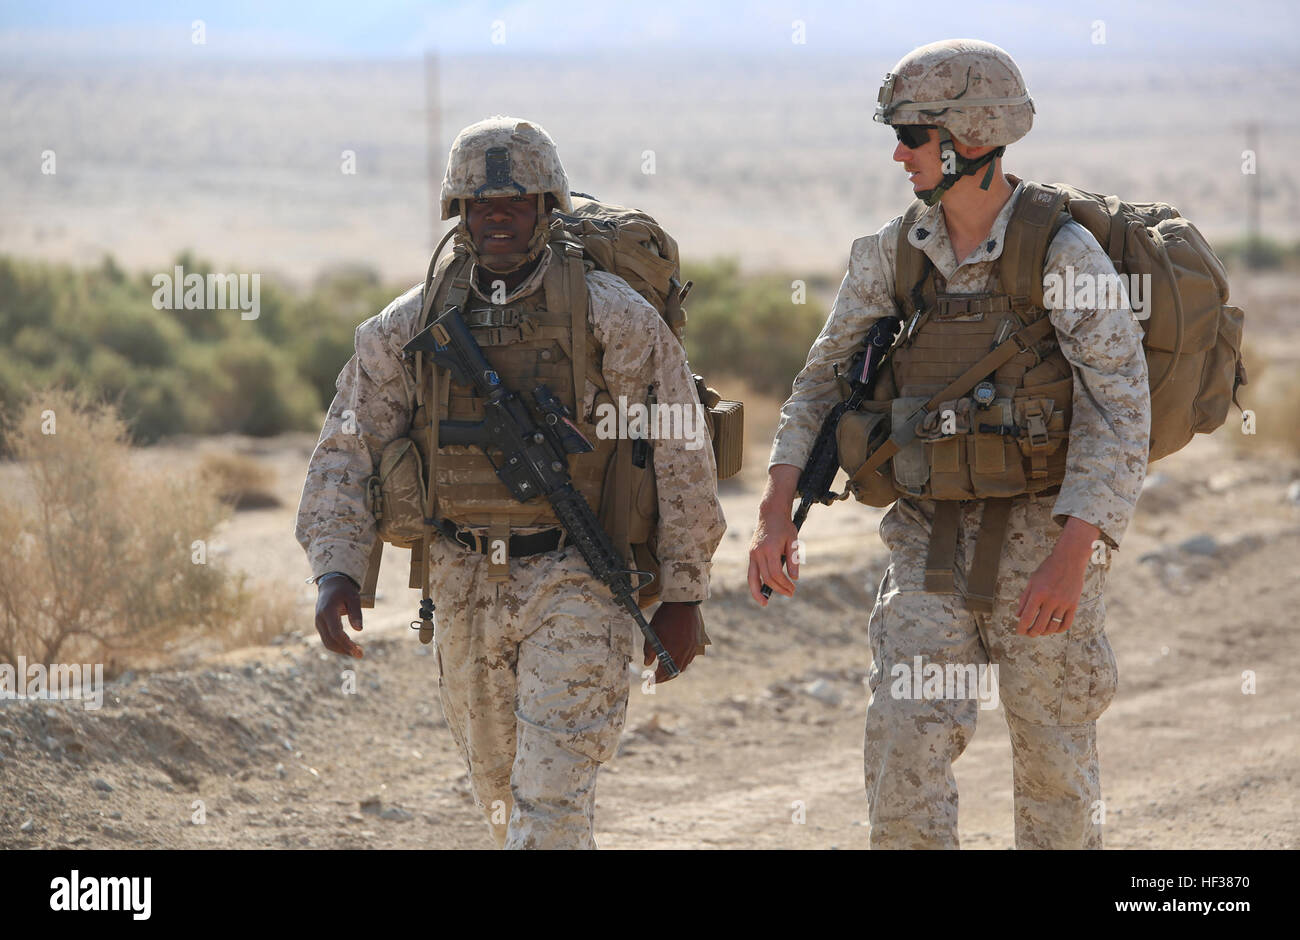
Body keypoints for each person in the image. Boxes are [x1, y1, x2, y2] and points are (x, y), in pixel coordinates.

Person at [748, 39, 1150, 849]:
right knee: (905, 744)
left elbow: (1118, 410)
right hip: (927, 536)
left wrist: (1074, 554)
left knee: (1054, 762)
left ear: (971, 137)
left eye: (911, 136)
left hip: (1042, 535)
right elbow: (821, 383)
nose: (898, 155)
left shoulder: (1063, 256)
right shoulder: (893, 254)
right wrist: (775, 510)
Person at [296, 116, 726, 849]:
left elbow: (680, 448)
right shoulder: (411, 323)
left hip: (579, 575)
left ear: (546, 207)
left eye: (516, 201)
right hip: (462, 580)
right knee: (500, 800)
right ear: (459, 213)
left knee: (549, 805)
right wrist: (336, 570)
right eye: (480, 203)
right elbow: (348, 446)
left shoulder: (612, 315)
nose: (497, 216)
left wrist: (684, 594)